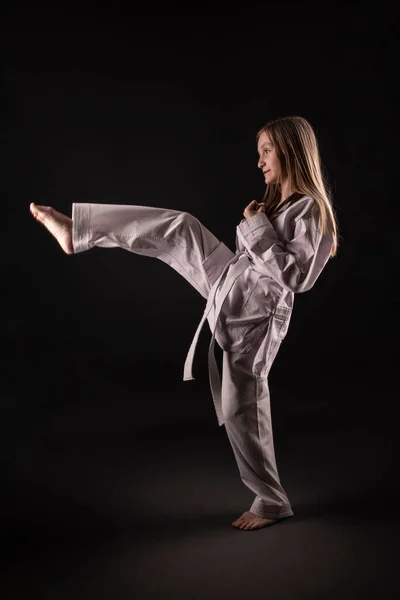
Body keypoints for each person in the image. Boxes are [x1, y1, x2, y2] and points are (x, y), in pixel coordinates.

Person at [30, 115, 339, 532]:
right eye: (260, 151)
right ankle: (79, 233)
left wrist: (257, 225)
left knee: (240, 408)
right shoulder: (277, 205)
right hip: (232, 282)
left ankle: (271, 501)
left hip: (254, 318)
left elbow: (296, 278)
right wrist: (258, 220)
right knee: (182, 226)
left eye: (266, 150)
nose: (260, 161)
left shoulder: (311, 210)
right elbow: (263, 257)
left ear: (292, 151)